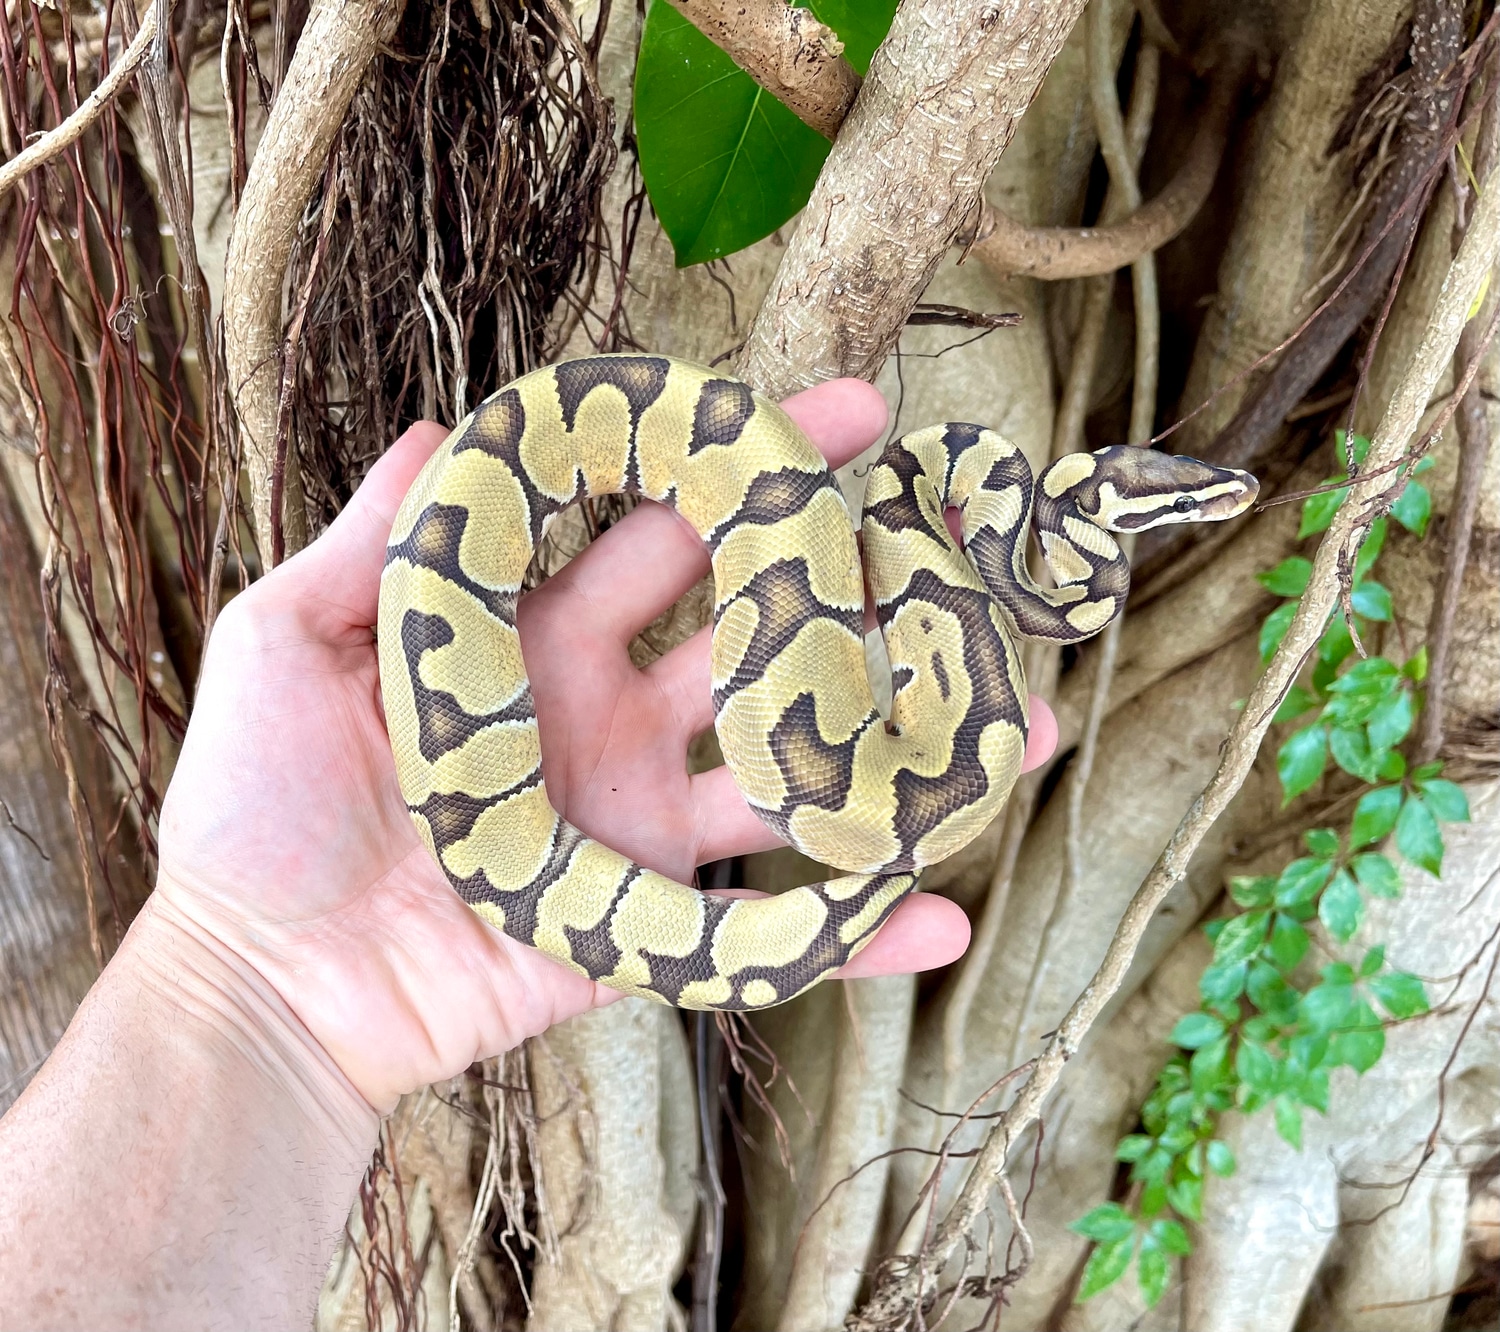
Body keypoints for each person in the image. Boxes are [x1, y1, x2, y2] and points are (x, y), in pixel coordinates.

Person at [0, 379, 1056, 1330]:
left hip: (496, 869)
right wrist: (239, 964)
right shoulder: (922, 534)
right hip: (502, 857)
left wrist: (241, 969)